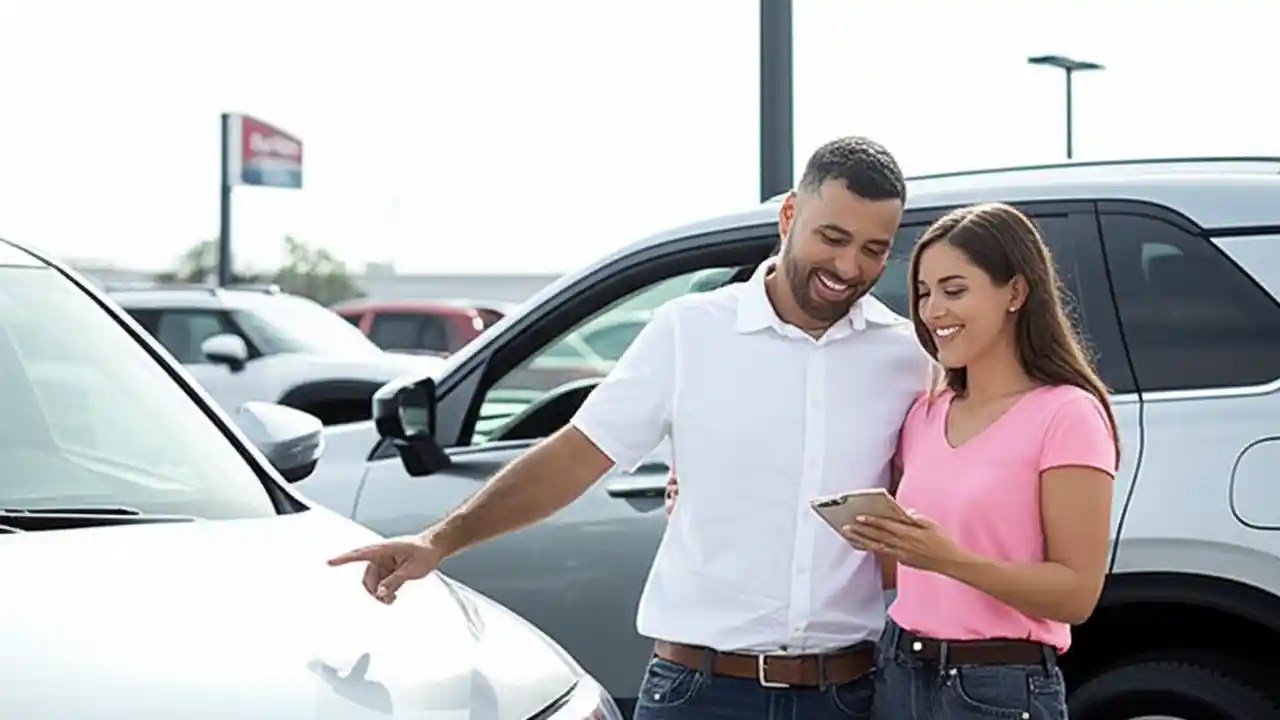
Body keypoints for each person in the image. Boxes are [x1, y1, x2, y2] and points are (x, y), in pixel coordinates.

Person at [326, 135, 934, 720]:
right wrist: (440, 540)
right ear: (789, 215)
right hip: (702, 694)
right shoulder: (689, 332)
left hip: (847, 697)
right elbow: (574, 457)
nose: (850, 266)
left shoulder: (907, 358)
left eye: (873, 249)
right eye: (833, 237)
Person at [840, 202, 1119, 720]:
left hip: (996, 690)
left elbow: (1077, 594)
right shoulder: (925, 412)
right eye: (923, 293)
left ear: (1015, 291)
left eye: (954, 290)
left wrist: (950, 560)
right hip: (899, 673)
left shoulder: (1068, 414)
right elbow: (897, 565)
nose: (931, 312)